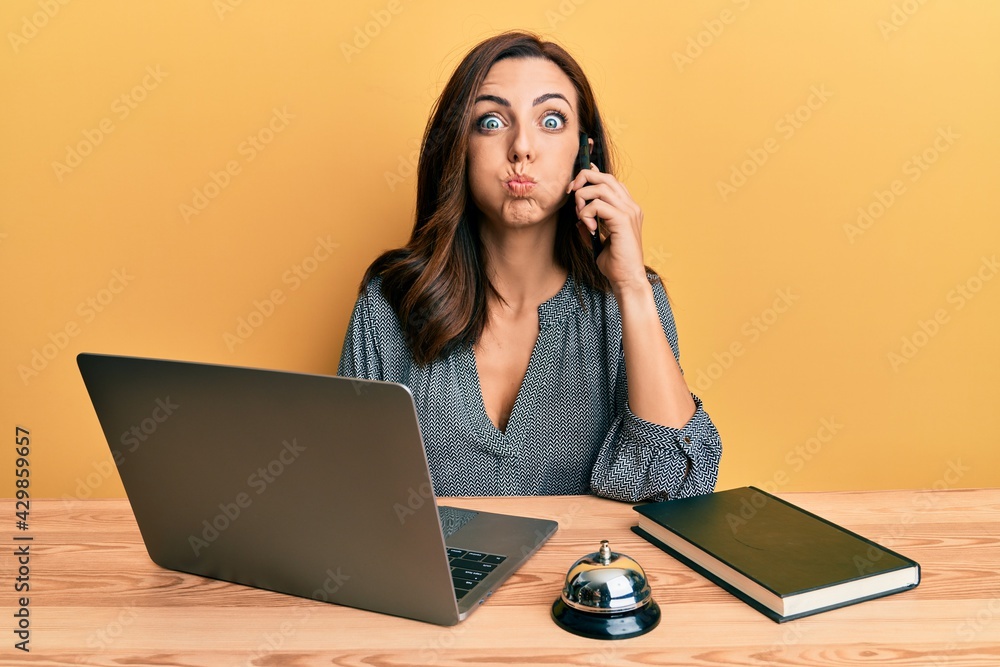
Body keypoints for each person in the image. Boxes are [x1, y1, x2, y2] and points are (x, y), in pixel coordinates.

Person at [338, 31, 721, 502]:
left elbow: (677, 489)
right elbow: (353, 496)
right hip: (440, 577)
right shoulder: (391, 302)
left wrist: (632, 287)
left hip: (577, 574)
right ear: (459, 146)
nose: (522, 147)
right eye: (492, 121)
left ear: (586, 154)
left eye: (552, 120)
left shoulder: (627, 299)